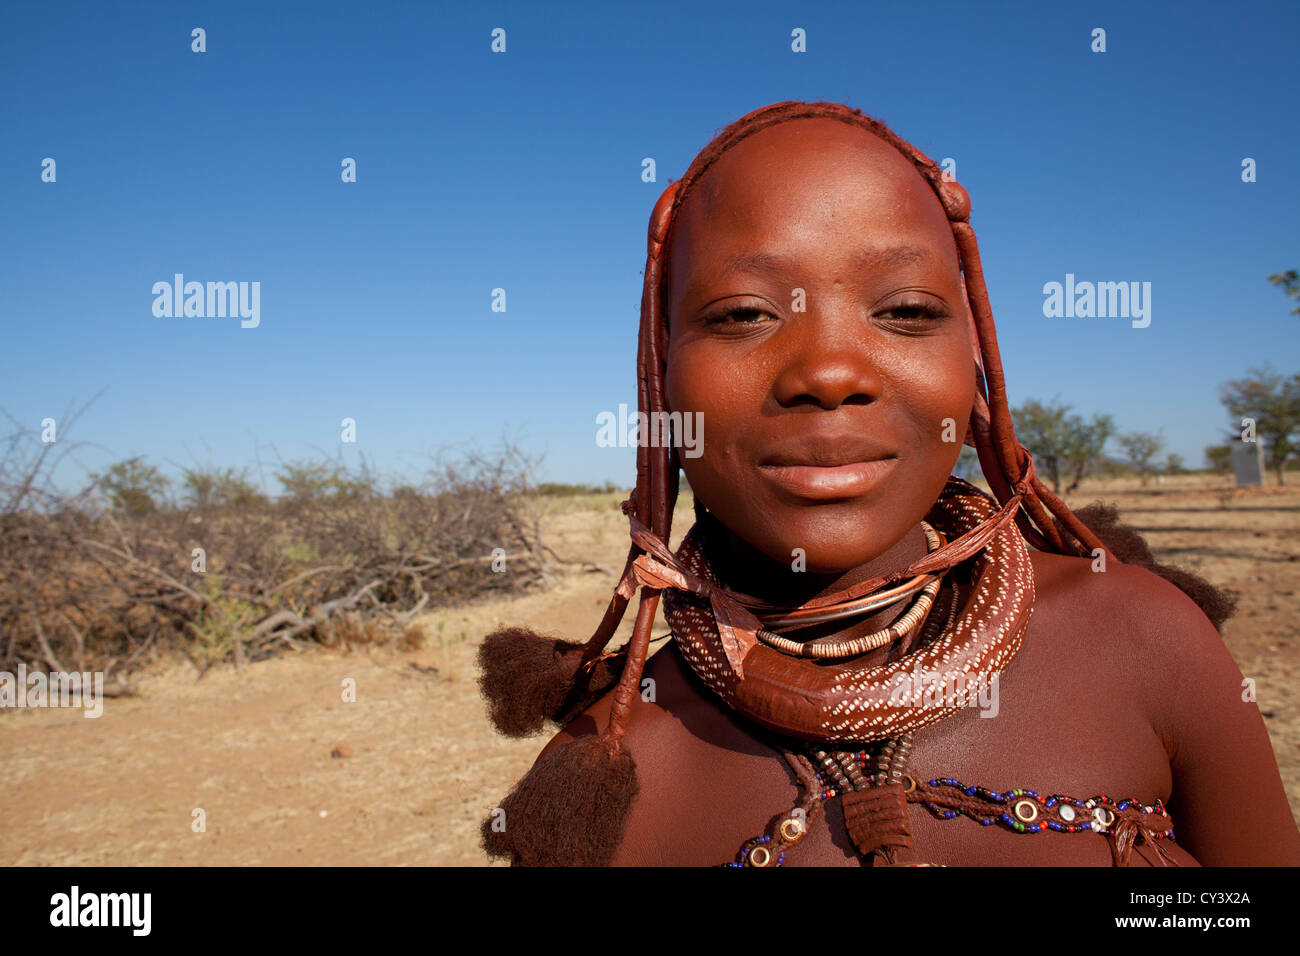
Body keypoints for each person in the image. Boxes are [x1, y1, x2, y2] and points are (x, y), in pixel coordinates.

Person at [476, 101, 1300, 866]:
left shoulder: (1143, 635)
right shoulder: (617, 775)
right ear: (661, 378)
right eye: (741, 313)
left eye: (905, 310)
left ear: (974, 364)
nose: (829, 373)